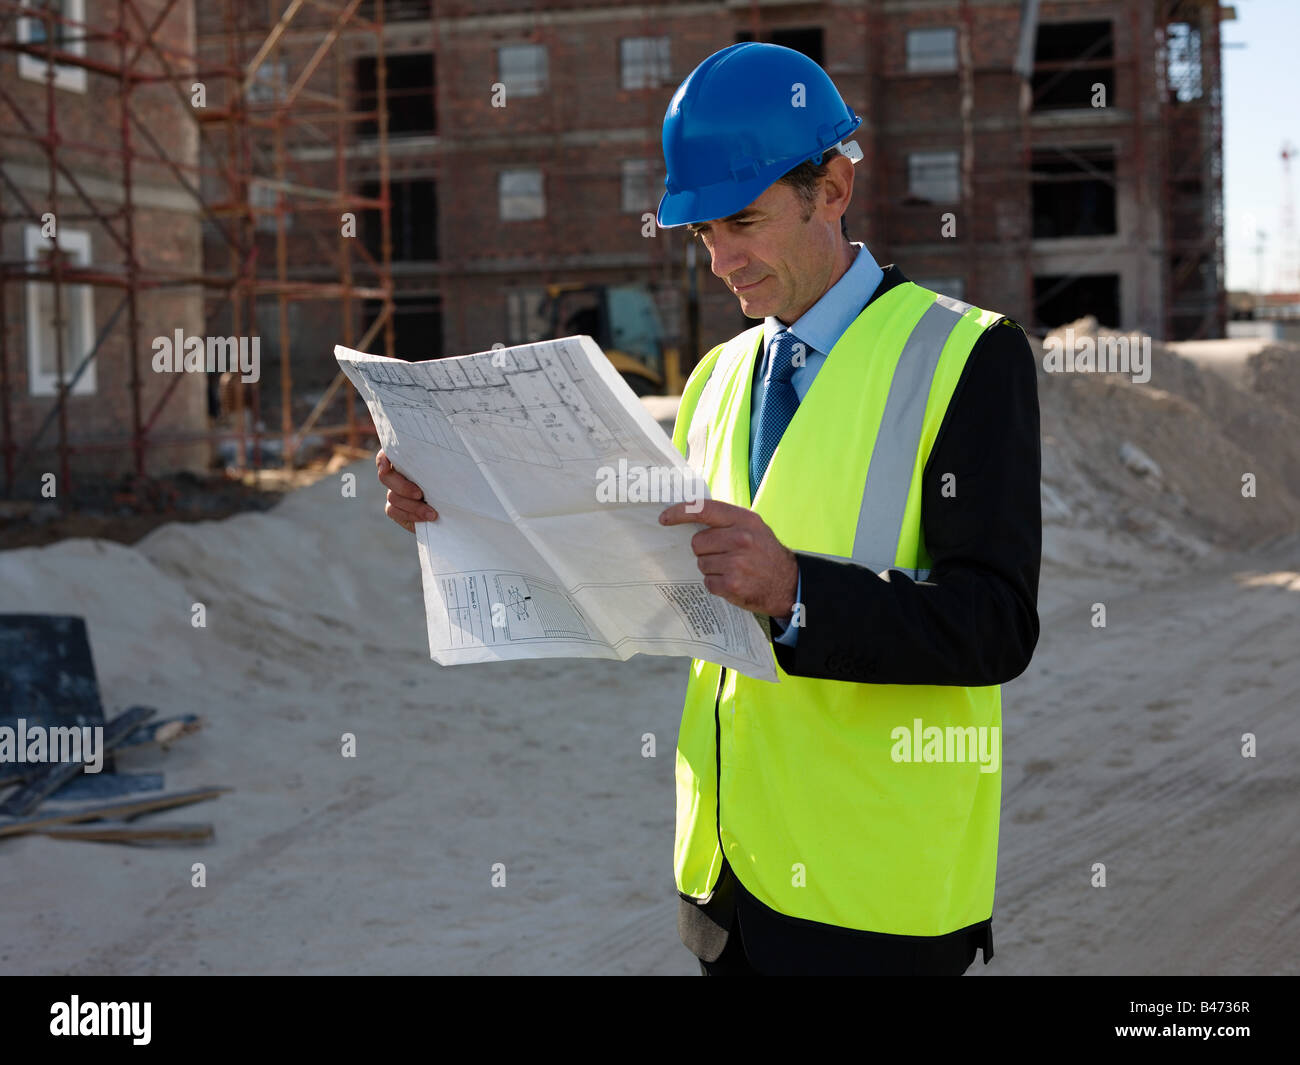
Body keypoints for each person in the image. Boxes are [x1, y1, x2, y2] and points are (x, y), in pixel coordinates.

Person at [377, 41, 1041, 976]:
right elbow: (637, 577)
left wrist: (797, 592)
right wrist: (460, 502)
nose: (722, 261)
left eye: (744, 221)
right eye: (701, 235)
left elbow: (997, 625)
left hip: (876, 896)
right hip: (725, 878)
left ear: (835, 189)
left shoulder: (968, 356)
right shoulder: (719, 377)